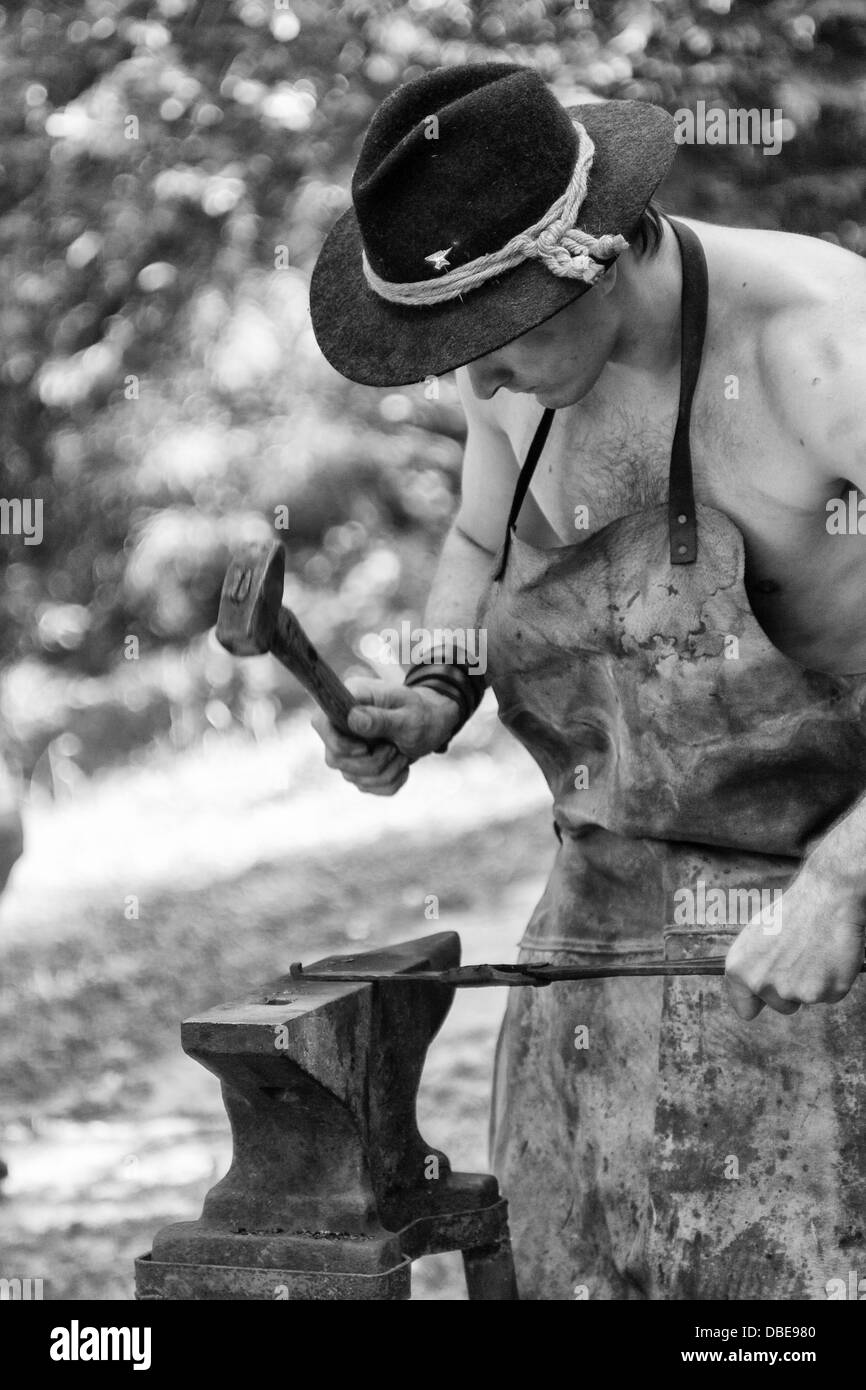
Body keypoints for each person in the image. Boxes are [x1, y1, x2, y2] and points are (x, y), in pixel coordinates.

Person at [309, 62, 866, 1299]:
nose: (476, 386)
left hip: (820, 917)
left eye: (487, 346)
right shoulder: (517, 369)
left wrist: (842, 884)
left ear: (590, 256)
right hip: (595, 930)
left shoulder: (826, 346)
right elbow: (477, 541)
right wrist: (435, 691)